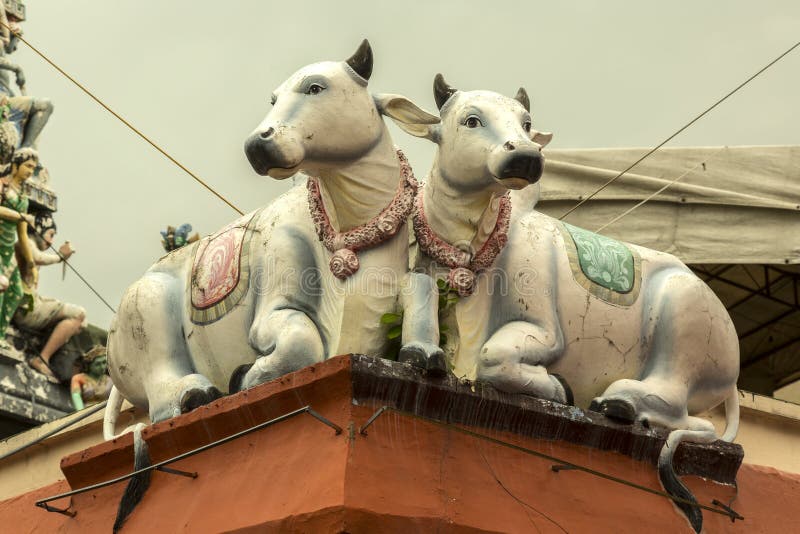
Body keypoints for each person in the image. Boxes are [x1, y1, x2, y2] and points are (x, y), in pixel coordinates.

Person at [14, 211, 85, 382]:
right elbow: (36, 258)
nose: (51, 241)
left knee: (80, 322)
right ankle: (42, 358)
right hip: (23, 308)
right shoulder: (25, 242)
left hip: (29, 304)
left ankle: (46, 352)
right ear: (39, 229)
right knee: (79, 314)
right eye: (50, 234)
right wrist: (60, 256)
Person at [0, 147, 35, 349]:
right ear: (16, 164)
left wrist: (31, 263)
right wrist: (20, 216)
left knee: (15, 292)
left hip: (7, 251)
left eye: (33, 168)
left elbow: (22, 235)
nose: (30, 171)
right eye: (28, 166)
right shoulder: (2, 186)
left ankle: (0, 334)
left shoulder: (23, 198)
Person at [70, 345, 111, 410]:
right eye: (97, 364)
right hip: (88, 413)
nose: (102, 367)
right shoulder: (78, 379)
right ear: (88, 365)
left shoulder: (111, 379)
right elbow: (76, 397)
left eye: (104, 362)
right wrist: (83, 413)